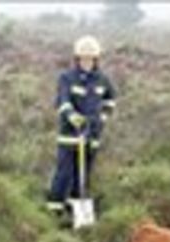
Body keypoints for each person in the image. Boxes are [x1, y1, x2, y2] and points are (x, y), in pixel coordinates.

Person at [46, 35, 117, 214]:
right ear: (77, 58)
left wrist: (102, 117)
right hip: (70, 135)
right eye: (83, 58)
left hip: (92, 135)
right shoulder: (67, 78)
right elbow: (62, 100)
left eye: (91, 58)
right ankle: (54, 209)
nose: (87, 61)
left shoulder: (102, 80)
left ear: (96, 58)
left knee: (83, 176)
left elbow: (110, 99)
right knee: (64, 173)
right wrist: (71, 116)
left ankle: (75, 210)